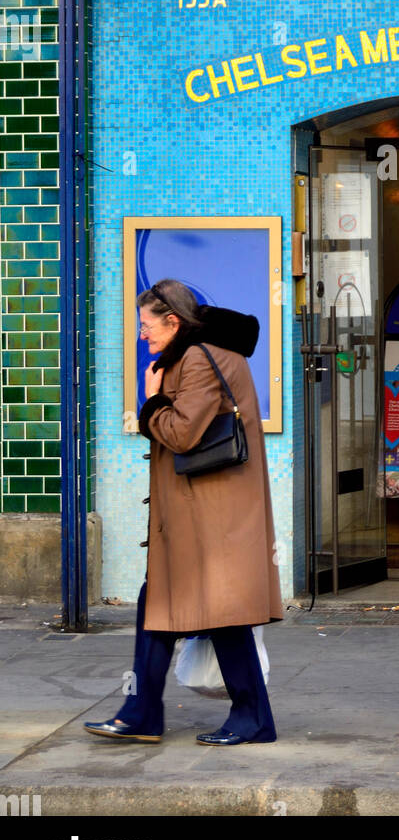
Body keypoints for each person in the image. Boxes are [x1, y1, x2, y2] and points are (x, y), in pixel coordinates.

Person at [83, 279, 283, 747]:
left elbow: (182, 433)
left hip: (214, 512)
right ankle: (142, 710)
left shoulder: (197, 358)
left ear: (173, 321)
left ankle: (253, 717)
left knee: (223, 611)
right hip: (200, 509)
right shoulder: (200, 352)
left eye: (146, 325)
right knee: (160, 602)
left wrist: (151, 401)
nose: (141, 335)